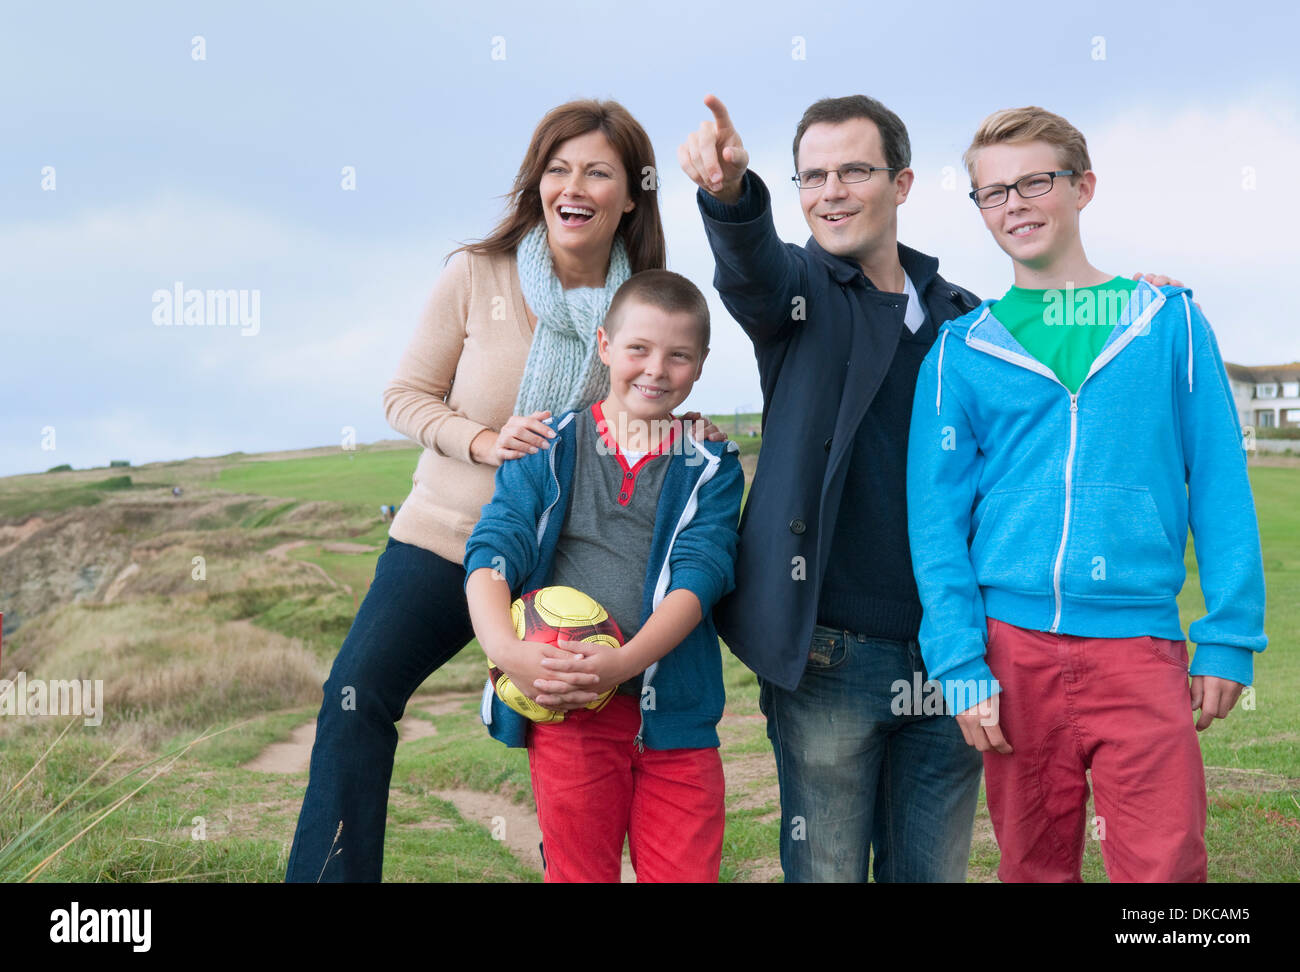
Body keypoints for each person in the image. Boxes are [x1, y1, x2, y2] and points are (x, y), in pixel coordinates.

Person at [285, 99, 721, 882]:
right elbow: (406, 396)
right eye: (557, 168)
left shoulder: (641, 302)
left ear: (631, 194)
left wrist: (693, 429)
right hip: (447, 537)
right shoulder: (477, 274)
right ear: (537, 182)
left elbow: (646, 389)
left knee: (565, 727)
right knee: (357, 694)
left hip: (559, 565)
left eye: (597, 171)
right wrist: (487, 440)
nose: (573, 186)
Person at [906, 106, 1267, 882]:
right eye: (992, 192)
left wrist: (1230, 634)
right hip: (1010, 653)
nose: (1014, 205)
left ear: (1083, 188)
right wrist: (959, 659)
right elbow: (936, 525)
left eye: (1035, 181)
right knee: (1033, 865)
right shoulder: (961, 350)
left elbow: (1221, 486)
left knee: (1165, 868)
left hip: (1140, 649)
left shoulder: (1165, 322)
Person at [677, 94, 985, 883]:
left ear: (903, 182)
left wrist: (1135, 301)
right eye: (812, 176)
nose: (831, 190)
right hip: (828, 656)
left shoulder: (965, 321)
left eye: (854, 170)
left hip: (950, 658)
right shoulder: (800, 293)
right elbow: (751, 270)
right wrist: (731, 199)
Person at [462, 270, 743, 883]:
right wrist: (507, 652)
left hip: (677, 715)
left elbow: (702, 576)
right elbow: (493, 549)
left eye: (678, 356)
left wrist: (623, 664)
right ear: (604, 346)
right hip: (571, 713)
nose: (655, 369)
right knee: (579, 873)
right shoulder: (545, 445)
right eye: (638, 348)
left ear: (700, 366)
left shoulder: (710, 466)